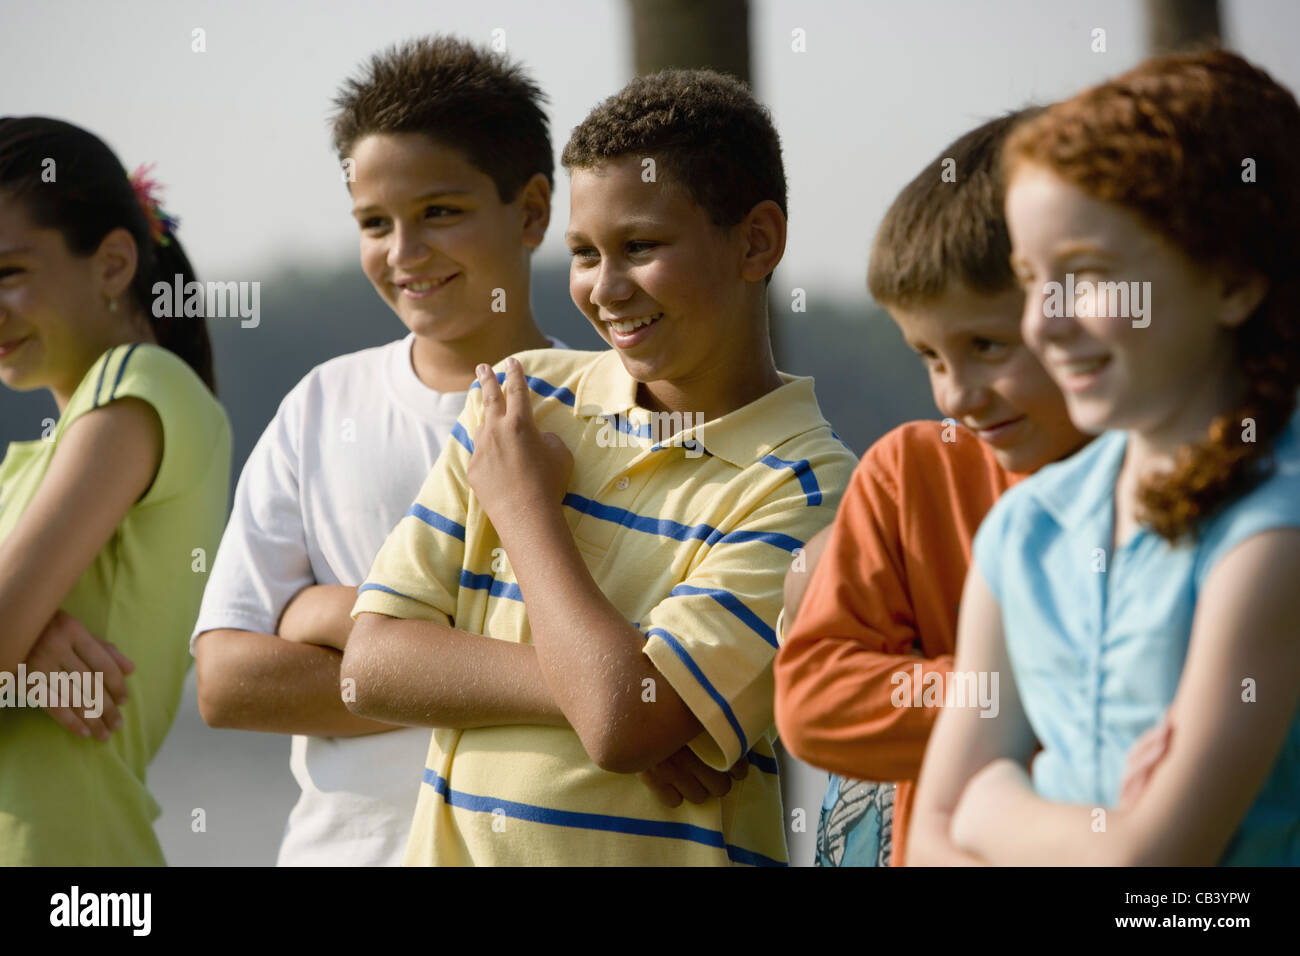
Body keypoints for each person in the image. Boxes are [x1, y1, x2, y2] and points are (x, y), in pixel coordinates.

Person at [343, 69, 857, 865]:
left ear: (756, 240)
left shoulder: (808, 487)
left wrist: (523, 512)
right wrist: (602, 690)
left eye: (641, 247)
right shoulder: (521, 399)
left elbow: (621, 728)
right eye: (584, 253)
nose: (606, 289)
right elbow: (372, 666)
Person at [192, 36, 577, 866]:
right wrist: (558, 683)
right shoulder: (321, 406)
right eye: (375, 223)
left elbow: (648, 678)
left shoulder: (612, 407)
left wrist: (336, 617)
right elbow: (226, 681)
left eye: (440, 212)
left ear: (533, 212)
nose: (403, 253)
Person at [910, 49, 1300, 865]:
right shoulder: (1028, 527)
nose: (1044, 325)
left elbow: (1151, 867)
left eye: (1087, 276)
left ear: (1232, 280)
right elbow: (931, 837)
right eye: (1029, 279)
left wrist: (993, 807)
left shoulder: (1273, 534)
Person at [773, 110, 1091, 866]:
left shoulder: (1182, 483)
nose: (956, 395)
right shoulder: (913, 473)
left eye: (986, 346)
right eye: (930, 357)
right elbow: (819, 700)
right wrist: (1031, 694)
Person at [0, 117, 230, 865]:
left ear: (112, 264)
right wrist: (23, 656)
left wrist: (15, 633)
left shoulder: (143, 386)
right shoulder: (32, 457)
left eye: (8, 275)